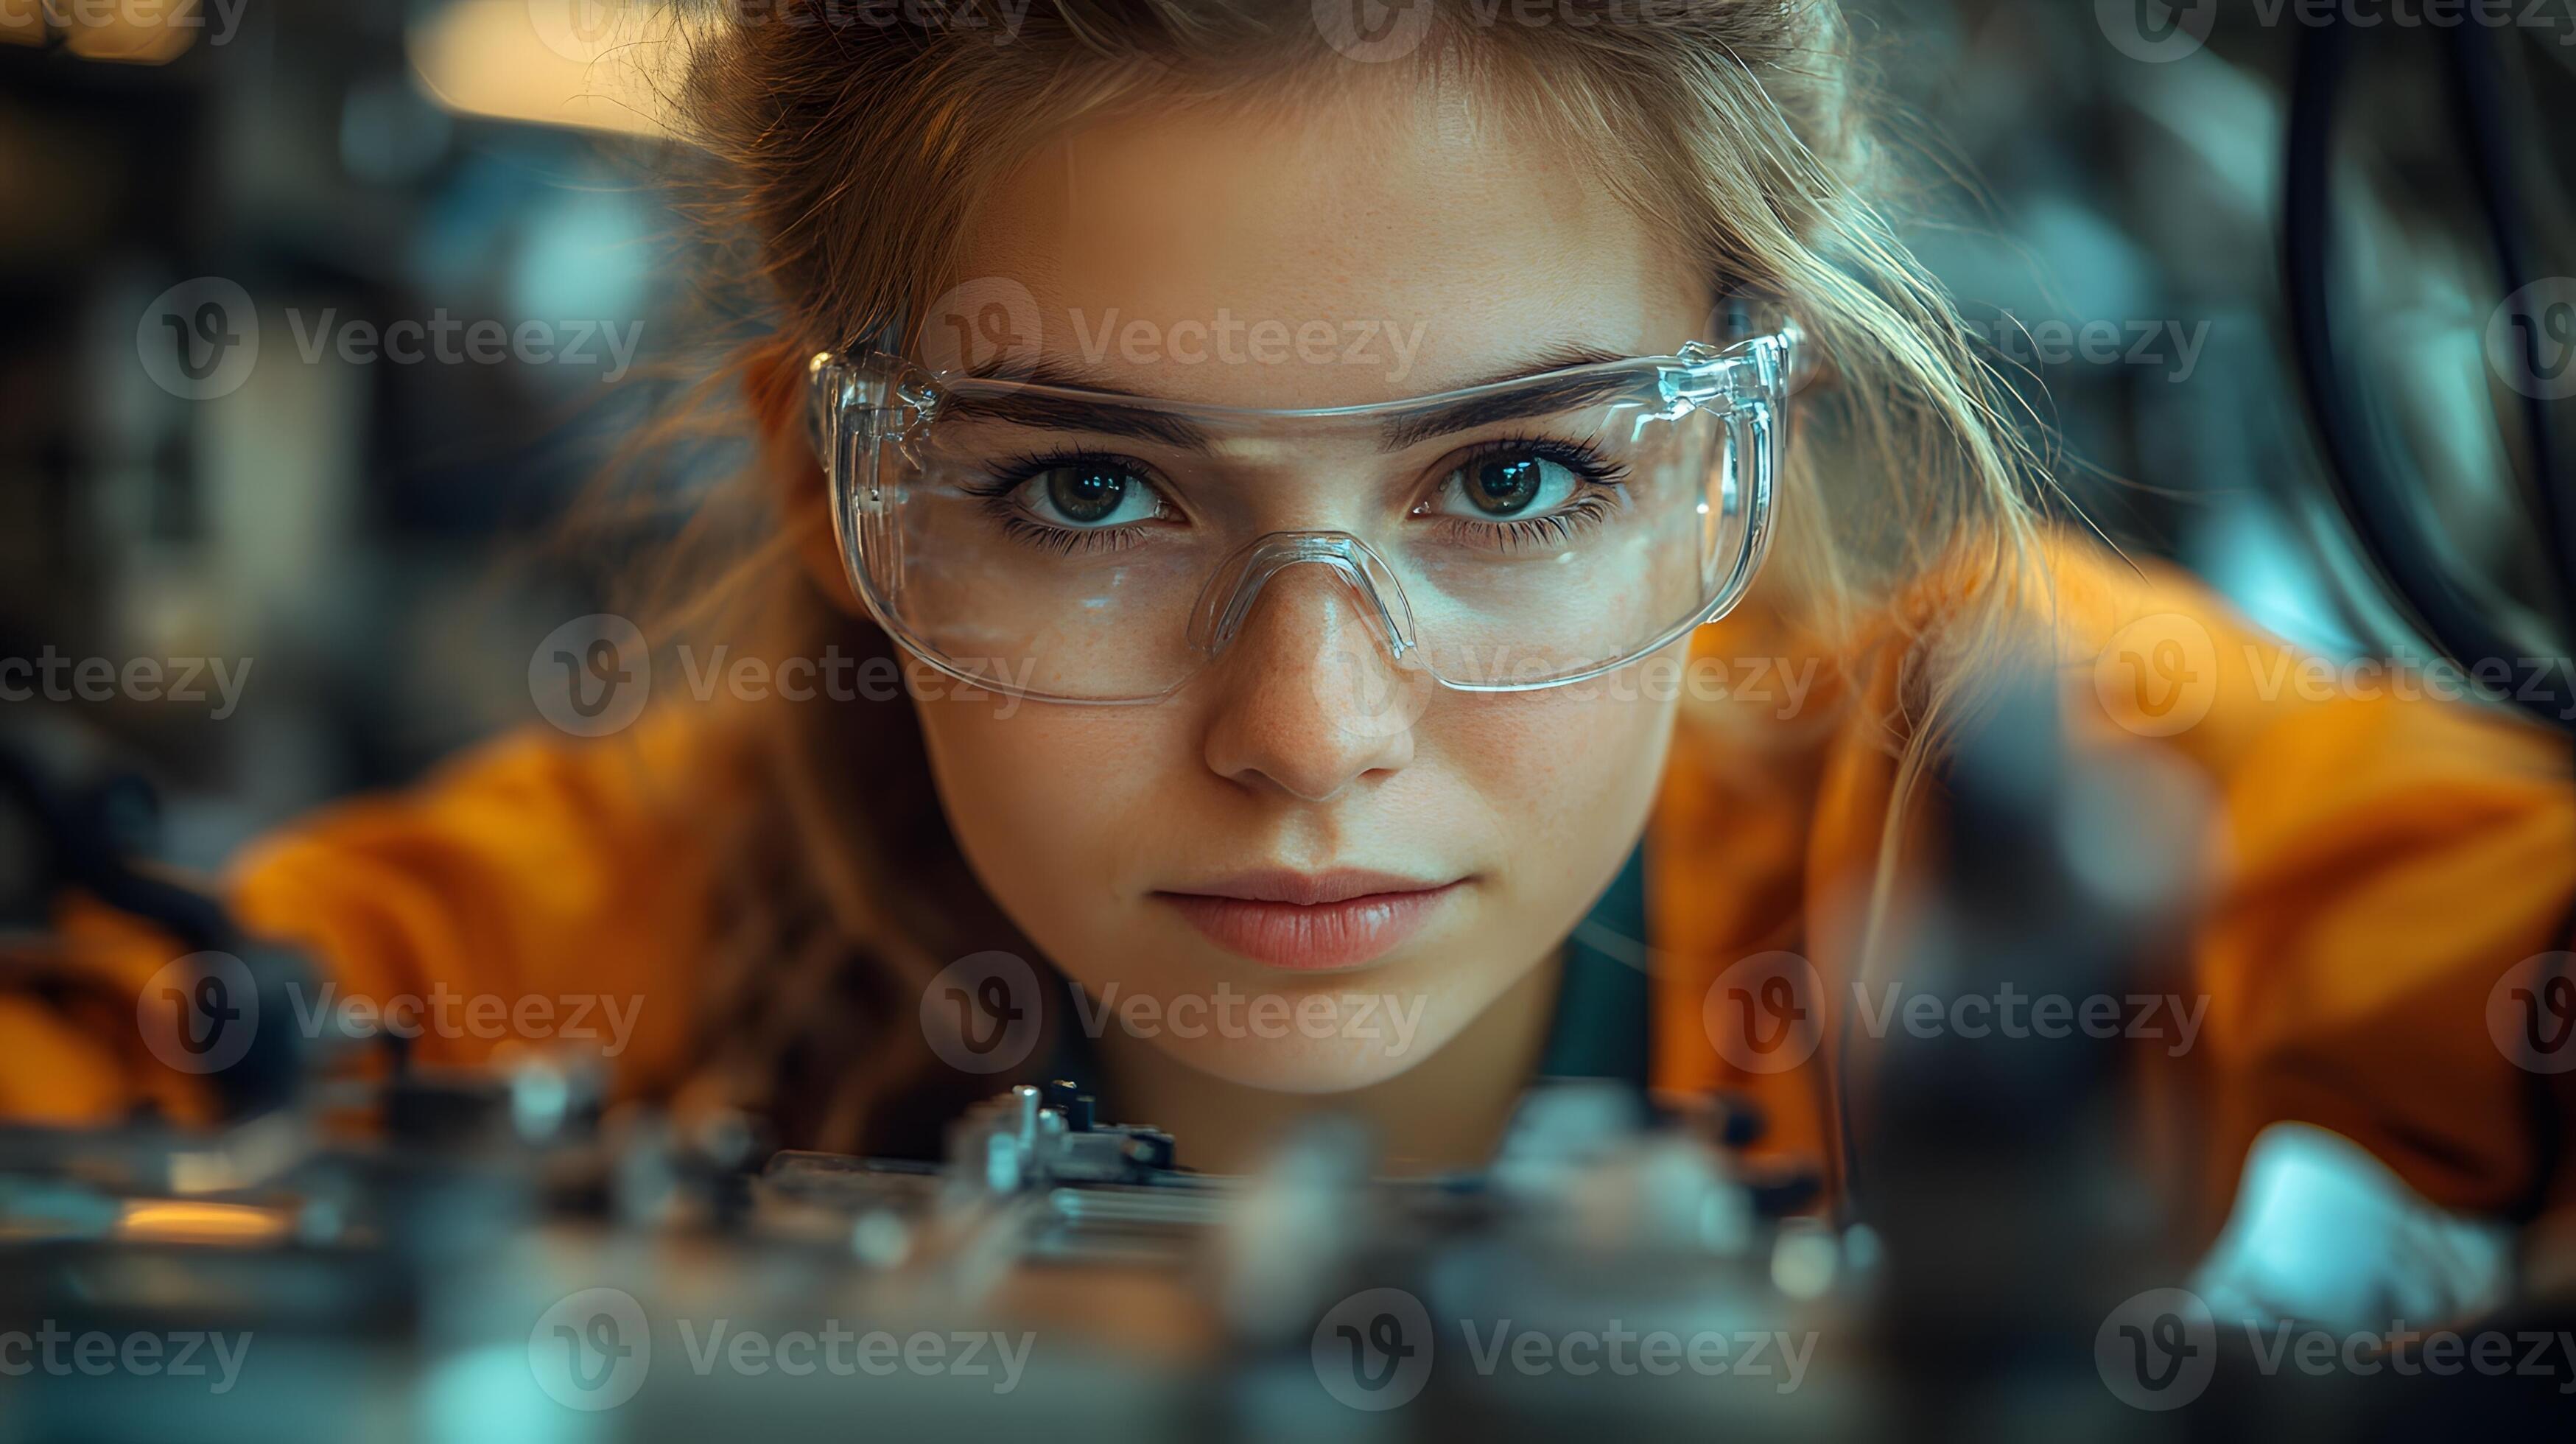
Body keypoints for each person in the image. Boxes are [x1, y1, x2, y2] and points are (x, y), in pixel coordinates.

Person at [17, 0, 2573, 1325]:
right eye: (1089, 492)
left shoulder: (2040, 798)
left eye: (1515, 479)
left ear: (1736, 471)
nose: (1308, 735)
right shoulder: (589, 947)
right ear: (847, 492)